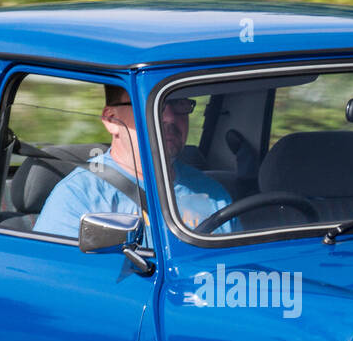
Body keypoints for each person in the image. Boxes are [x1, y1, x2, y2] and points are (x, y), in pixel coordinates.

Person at [34, 85, 235, 241]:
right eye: (152, 105)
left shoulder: (213, 194)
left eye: (180, 103)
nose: (170, 117)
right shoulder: (78, 197)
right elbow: (56, 280)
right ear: (111, 120)